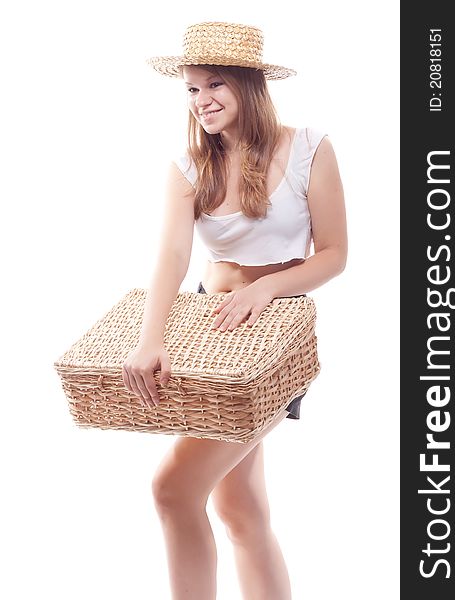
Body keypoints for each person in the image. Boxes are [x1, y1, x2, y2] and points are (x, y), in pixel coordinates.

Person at [122, 21, 347, 600]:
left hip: (273, 341)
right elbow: (172, 256)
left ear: (249, 84)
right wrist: (152, 338)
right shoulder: (189, 165)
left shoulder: (309, 148)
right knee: (240, 507)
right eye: (191, 89)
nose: (201, 101)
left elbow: (335, 256)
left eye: (214, 84)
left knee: (173, 490)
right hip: (211, 331)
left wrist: (265, 290)